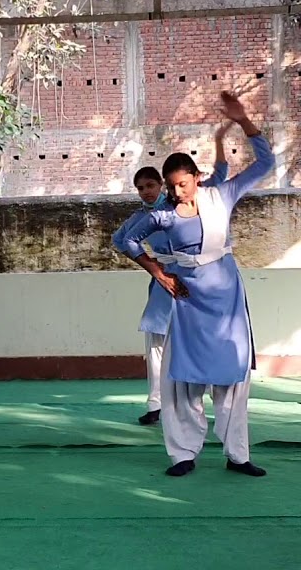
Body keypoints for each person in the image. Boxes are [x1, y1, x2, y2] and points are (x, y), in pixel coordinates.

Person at [116, 92, 275, 477]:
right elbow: (124, 240)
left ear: (196, 178)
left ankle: (238, 455)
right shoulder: (163, 216)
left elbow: (267, 162)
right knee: (181, 379)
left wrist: (243, 121)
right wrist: (157, 271)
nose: (175, 193)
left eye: (182, 184)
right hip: (186, 301)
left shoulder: (222, 195)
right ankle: (183, 453)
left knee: (233, 376)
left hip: (227, 299)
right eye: (171, 187)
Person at [111, 123, 232, 426]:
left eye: (151, 186)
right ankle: (156, 403)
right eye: (140, 188)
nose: (146, 192)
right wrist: (155, 267)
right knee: (156, 343)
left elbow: (219, 178)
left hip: (197, 278)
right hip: (164, 280)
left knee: (201, 338)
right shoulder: (141, 218)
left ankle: (204, 400)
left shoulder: (182, 203)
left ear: (162, 186)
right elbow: (120, 240)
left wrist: (219, 141)